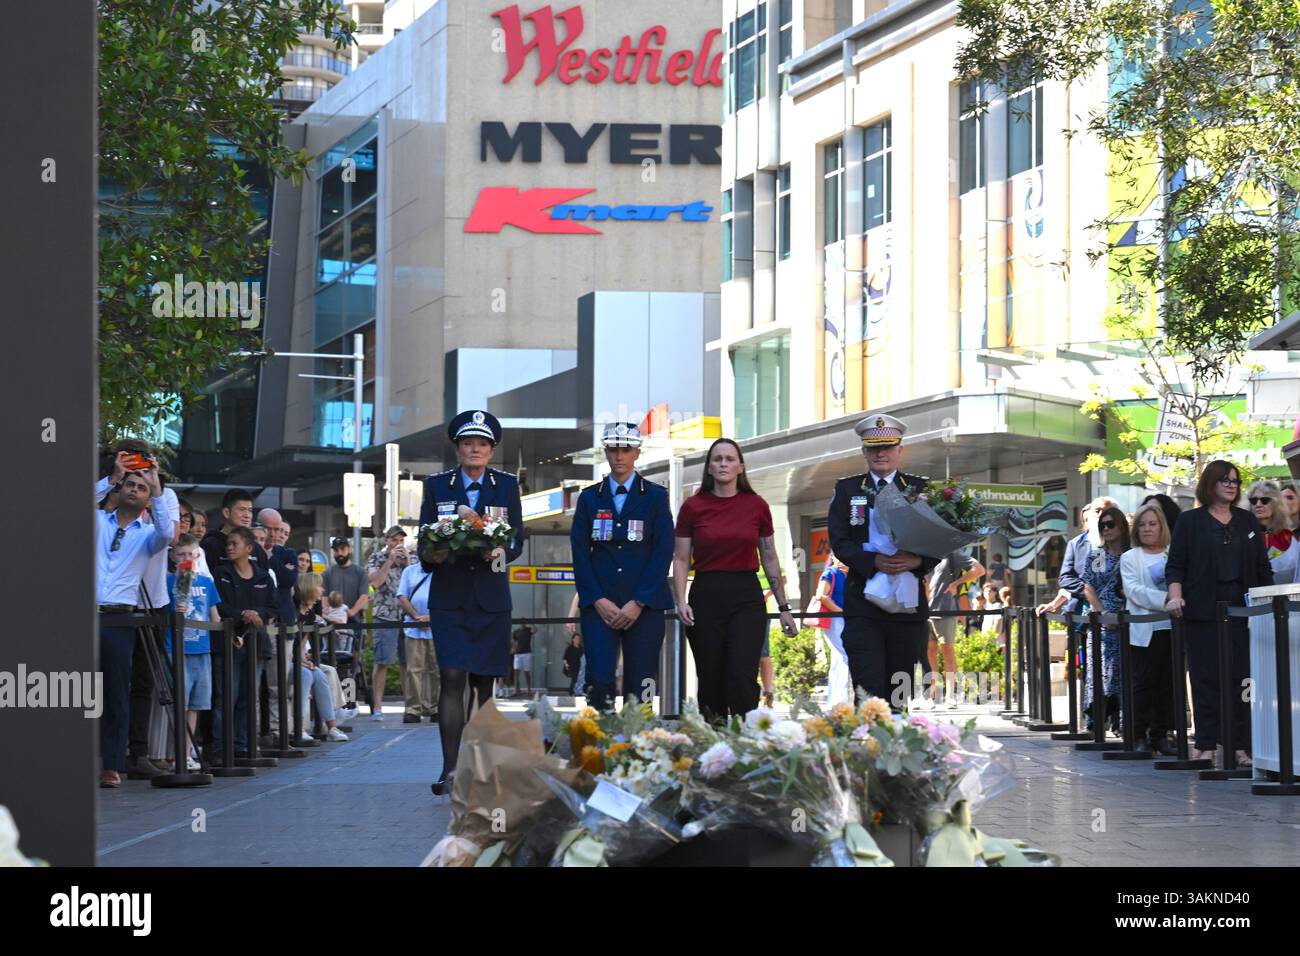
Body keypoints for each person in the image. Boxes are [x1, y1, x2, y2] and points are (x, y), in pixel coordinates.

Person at [417, 409, 526, 795]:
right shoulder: (437, 485)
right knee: (451, 677)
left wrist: (497, 552)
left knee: (483, 684)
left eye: (481, 444)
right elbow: (423, 543)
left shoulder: (507, 485)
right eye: (467, 443)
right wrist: (435, 554)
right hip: (450, 598)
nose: (474, 449)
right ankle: (449, 769)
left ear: (491, 450)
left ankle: (480, 769)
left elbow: (516, 540)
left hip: (491, 600)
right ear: (458, 448)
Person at [673, 438, 797, 720]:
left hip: (746, 596)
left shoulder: (757, 505)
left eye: (730, 459)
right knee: (711, 679)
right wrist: (680, 600)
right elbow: (680, 559)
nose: (723, 464)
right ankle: (713, 749)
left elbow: (769, 557)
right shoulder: (693, 507)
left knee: (741, 675)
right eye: (717, 459)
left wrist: (784, 608)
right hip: (706, 594)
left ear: (740, 466)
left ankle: (746, 745)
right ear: (709, 467)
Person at [826, 413, 940, 708]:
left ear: (900, 450)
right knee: (867, 687)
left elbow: (939, 540)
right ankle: (865, 748)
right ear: (863, 451)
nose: (881, 453)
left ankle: (899, 746)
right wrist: (873, 561)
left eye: (888, 447)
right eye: (873, 447)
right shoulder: (847, 490)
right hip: (863, 604)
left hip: (907, 607)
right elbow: (840, 541)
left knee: (899, 689)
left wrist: (918, 561)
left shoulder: (919, 489)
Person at [1167, 460, 1273, 767]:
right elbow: (1176, 565)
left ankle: (1241, 745)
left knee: (1243, 681)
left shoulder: (1247, 521)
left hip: (1242, 611)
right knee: (1205, 679)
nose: (1231, 485)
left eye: (1235, 481)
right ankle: (1206, 745)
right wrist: (1176, 596)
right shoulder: (1190, 521)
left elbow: (1262, 568)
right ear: (1209, 483)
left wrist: (1268, 604)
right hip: (1202, 611)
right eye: (1225, 480)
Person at [570, 422, 677, 712]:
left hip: (644, 605)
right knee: (599, 678)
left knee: (641, 682)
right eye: (613, 449)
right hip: (600, 605)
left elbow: (663, 550)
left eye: (625, 449)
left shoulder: (655, 496)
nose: (619, 456)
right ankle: (598, 746)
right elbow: (579, 554)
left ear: (637, 453)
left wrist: (638, 601)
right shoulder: (590, 497)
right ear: (605, 452)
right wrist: (597, 600)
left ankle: (640, 746)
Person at [96, 466, 174, 788]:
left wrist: (157, 490)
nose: (134, 489)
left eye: (141, 487)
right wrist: (111, 478)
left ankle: (112, 766)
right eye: (130, 483)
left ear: (146, 500)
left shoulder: (148, 536)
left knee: (116, 692)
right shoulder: (99, 521)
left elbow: (168, 533)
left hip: (119, 618)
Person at [211, 527, 278, 757]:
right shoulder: (220, 573)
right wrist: (243, 614)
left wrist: (257, 612)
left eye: (235, 544)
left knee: (249, 696)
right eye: (228, 543)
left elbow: (273, 606)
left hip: (256, 643)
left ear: (249, 549)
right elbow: (217, 604)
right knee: (226, 696)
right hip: (226, 642)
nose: (229, 547)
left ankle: (243, 745)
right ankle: (221, 747)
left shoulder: (263, 576)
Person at [1119, 502, 1176, 755]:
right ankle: (1137, 735)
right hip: (1143, 631)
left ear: (1161, 526)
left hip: (1172, 627)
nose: (1147, 529)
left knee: (1167, 685)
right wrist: (1167, 600)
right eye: (1142, 524)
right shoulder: (1130, 557)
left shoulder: (1172, 553)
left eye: (1152, 523)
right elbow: (1134, 592)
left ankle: (1160, 735)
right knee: (1142, 685)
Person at [166, 534, 221, 769]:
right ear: (173, 556)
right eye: (182, 554)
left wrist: (229, 632)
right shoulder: (166, 582)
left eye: (191, 554)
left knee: (196, 705)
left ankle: (187, 751)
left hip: (202, 648)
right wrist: (175, 611)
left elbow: (214, 615)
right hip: (177, 648)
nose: (187, 559)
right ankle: (175, 752)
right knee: (179, 701)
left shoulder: (207, 582)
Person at [1080, 505, 1130, 734]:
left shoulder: (1131, 554)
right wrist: (1101, 613)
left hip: (1127, 620)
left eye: (1111, 524)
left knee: (1121, 672)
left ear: (1122, 526)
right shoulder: (1099, 554)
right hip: (1102, 623)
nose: (1107, 529)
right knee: (1098, 671)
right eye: (1102, 525)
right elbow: (1089, 585)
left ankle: (1121, 720)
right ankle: (1096, 720)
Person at [923, 549, 984, 710]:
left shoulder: (951, 553)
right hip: (924, 611)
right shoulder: (923, 551)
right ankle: (932, 696)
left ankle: (950, 696)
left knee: (948, 652)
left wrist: (956, 583)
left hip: (945, 610)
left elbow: (979, 569)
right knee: (929, 653)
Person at [367, 526, 417, 721]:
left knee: (409, 663)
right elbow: (375, 583)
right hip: (385, 616)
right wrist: (390, 561)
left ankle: (410, 708)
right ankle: (377, 708)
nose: (398, 545)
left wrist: (406, 562)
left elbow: (417, 582)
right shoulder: (376, 558)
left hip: (408, 616)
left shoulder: (412, 559)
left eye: (401, 541)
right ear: (386, 541)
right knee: (382, 662)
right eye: (394, 540)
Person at [257, 508, 300, 741]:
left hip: (282, 625)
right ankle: (253, 733)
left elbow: (289, 579)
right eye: (268, 528)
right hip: (256, 625)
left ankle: (279, 731)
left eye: (277, 528)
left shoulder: (287, 553)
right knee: (254, 685)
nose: (273, 533)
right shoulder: (250, 551)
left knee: (277, 684)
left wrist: (271, 556)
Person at [813, 556, 852, 708]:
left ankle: (838, 701)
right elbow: (821, 595)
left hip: (843, 619)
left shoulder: (847, 574)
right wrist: (840, 611)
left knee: (839, 658)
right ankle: (840, 701)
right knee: (844, 657)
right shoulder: (831, 572)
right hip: (835, 620)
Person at [200, 488, 267, 573]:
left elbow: (265, 581)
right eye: (242, 509)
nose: (247, 515)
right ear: (226, 513)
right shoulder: (209, 546)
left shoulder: (256, 548)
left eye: (250, 510)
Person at [323, 537, 368, 652]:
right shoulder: (328, 573)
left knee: (356, 659)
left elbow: (364, 596)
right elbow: (324, 596)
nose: (339, 553)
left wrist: (351, 612)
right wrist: (326, 611)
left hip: (355, 622)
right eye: (336, 550)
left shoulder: (360, 572)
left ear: (349, 549)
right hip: (333, 624)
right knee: (333, 658)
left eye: (342, 549)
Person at [1246, 480, 1297, 579]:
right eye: (1254, 500)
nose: (1258, 504)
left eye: (1265, 500)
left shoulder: (1288, 536)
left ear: (1276, 504)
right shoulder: (1243, 534)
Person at [563, 591, 588, 698]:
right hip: (574, 666)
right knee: (577, 676)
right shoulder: (570, 648)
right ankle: (577, 691)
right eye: (576, 638)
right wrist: (571, 616)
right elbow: (580, 592)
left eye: (578, 639)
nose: (577, 640)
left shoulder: (581, 648)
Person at [511, 625, 535, 696]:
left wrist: (531, 625)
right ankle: (516, 690)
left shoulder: (528, 630)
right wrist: (513, 648)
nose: (522, 624)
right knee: (516, 671)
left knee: (527, 672)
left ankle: (529, 690)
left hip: (526, 653)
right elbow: (513, 640)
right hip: (518, 654)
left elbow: (535, 630)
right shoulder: (516, 631)